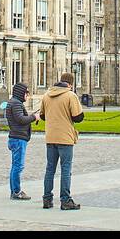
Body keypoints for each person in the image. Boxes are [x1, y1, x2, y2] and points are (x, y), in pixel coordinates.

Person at [39, 72, 84, 210]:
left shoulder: (47, 95)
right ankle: (65, 200)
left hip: (51, 136)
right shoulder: (70, 95)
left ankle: (47, 199)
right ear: (70, 84)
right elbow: (78, 117)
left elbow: (42, 116)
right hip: (65, 137)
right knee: (66, 169)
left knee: (50, 169)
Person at [5, 81, 40, 200]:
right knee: (18, 166)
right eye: (26, 92)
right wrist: (33, 117)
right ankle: (16, 191)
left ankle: (14, 190)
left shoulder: (14, 103)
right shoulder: (16, 104)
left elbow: (19, 118)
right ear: (21, 93)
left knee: (16, 165)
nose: (27, 95)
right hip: (18, 139)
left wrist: (30, 116)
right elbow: (20, 119)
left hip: (16, 137)